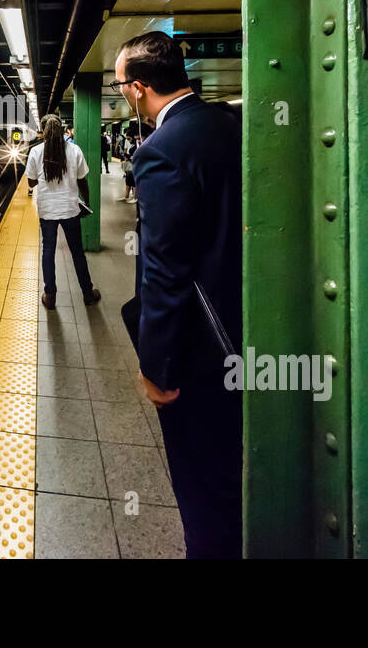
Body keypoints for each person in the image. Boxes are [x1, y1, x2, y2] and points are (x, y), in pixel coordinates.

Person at [113, 30, 241, 559]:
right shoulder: (226, 124)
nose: (122, 93)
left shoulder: (160, 151)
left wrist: (156, 365)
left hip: (199, 349)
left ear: (138, 88)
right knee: (228, 471)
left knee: (199, 480)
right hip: (244, 323)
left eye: (122, 84)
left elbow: (165, 268)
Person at [25, 114, 102, 310]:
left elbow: (31, 182)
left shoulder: (36, 152)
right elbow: (82, 180)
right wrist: (87, 201)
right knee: (77, 253)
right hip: (70, 209)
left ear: (43, 131)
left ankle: (50, 296)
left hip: (47, 211)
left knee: (48, 252)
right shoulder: (74, 150)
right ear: (61, 129)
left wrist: (44, 179)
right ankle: (87, 293)